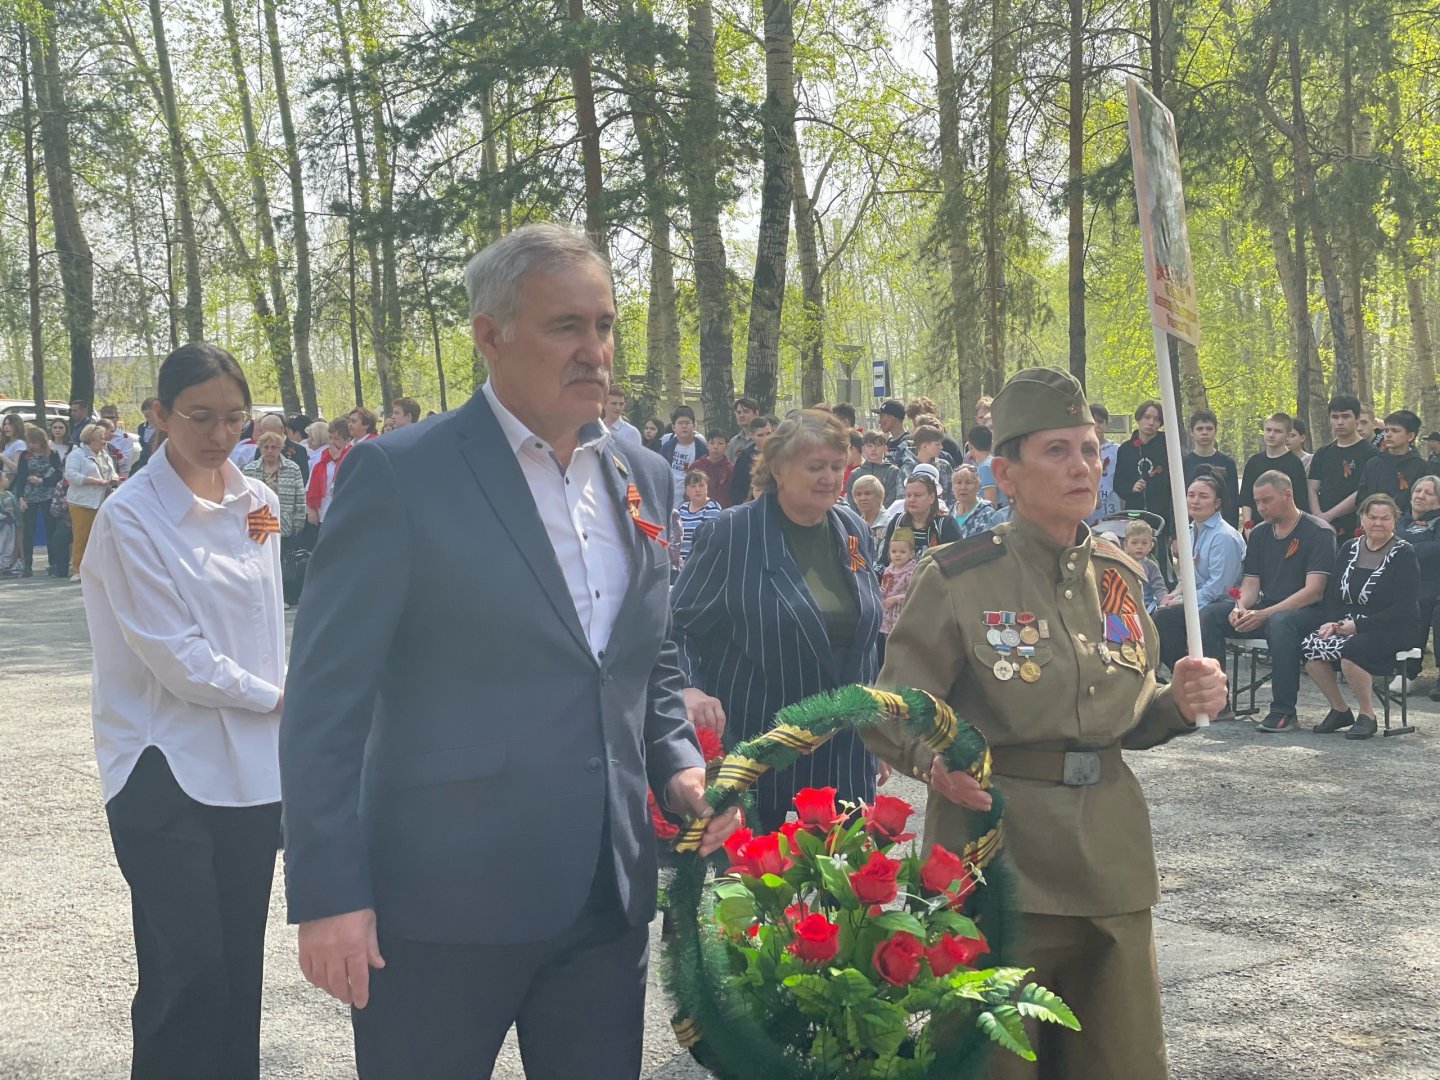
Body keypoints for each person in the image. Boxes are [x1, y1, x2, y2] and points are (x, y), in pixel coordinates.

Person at [278, 223, 738, 1080]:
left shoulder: (639, 469)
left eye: (603, 325)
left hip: (606, 900)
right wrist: (330, 893)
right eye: (566, 326)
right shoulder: (400, 475)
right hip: (444, 906)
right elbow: (324, 703)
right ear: (490, 336)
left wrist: (677, 763)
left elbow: (647, 653)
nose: (596, 351)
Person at [861, 366, 1226, 1080]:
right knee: (993, 1067)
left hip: (1111, 861)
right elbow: (895, 709)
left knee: (1120, 1063)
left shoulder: (1120, 575)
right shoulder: (960, 576)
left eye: (1090, 448)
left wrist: (1176, 705)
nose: (1082, 465)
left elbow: (1123, 715)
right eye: (1057, 450)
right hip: (1000, 860)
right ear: (1005, 473)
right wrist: (933, 761)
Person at [80, 342, 285, 1080]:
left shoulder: (258, 504)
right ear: (160, 415)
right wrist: (282, 697)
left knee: (238, 972)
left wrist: (282, 695)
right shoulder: (130, 519)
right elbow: (178, 658)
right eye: (201, 417)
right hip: (162, 766)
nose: (220, 434)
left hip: (251, 769)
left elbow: (266, 618)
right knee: (187, 971)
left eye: (236, 418)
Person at [672, 409, 883, 833]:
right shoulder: (732, 533)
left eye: (837, 467)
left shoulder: (853, 529)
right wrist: (688, 685)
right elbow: (678, 627)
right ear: (779, 470)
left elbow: (865, 637)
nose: (830, 478)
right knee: (759, 890)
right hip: (761, 750)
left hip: (845, 755)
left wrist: (875, 740)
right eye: (815, 467)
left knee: (846, 892)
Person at [1198, 470, 1336, 732]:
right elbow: (1250, 584)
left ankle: (1284, 710)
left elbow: (1314, 591)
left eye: (1267, 500)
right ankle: (1218, 701)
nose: (1260, 507)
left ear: (1288, 495)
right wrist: (1241, 608)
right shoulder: (1260, 534)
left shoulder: (1319, 532)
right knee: (1211, 614)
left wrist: (1265, 613)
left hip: (1311, 613)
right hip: (1271, 609)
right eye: (1257, 501)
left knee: (1280, 622)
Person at [1304, 493, 1418, 739]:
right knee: (1311, 647)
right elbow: (1333, 594)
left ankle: (1367, 715)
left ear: (1394, 522)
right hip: (1348, 622)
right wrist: (1332, 622)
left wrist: (1359, 626)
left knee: (1353, 651)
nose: (1378, 523)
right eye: (1372, 517)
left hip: (1391, 626)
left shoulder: (1404, 554)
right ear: (1362, 520)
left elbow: (1404, 608)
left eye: (1384, 518)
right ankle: (1340, 710)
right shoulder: (1349, 548)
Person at [1154, 471, 1246, 673]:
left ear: (1217, 502)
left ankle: (1217, 690)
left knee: (1202, 616)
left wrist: (1184, 602)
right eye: (1191, 495)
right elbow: (1189, 576)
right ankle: (1184, 676)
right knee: (1160, 613)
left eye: (1203, 496)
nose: (1195, 501)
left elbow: (1219, 587)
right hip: (1202, 597)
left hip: (1228, 603)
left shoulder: (1224, 536)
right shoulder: (1189, 531)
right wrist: (1175, 594)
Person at [1308, 394, 1377, 540]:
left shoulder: (1371, 454)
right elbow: (1312, 488)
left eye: (1345, 416)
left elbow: (1363, 491)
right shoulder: (1322, 453)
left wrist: (1329, 515)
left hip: (1356, 525)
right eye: (1335, 417)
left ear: (1357, 418)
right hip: (1322, 526)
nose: (1340, 422)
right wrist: (1318, 517)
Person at [1115, 399, 1175, 557]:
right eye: (1147, 417)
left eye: (1156, 419)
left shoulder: (1169, 446)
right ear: (1138, 419)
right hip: (1135, 517)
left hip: (1162, 519)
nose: (1151, 422)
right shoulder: (1125, 450)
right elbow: (1118, 484)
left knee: (1161, 561)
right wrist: (1131, 488)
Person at [1398, 475, 1440, 696]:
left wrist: (1406, 548)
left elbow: (1437, 549)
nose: (1420, 496)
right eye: (1418, 491)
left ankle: (1410, 671)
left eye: (1428, 493)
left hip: (1431, 581)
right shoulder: (1401, 520)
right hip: (1399, 581)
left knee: (1420, 602)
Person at [876, 465, 962, 571]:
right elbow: (884, 561)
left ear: (931, 497)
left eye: (917, 495)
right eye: (908, 495)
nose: (911, 499)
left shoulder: (945, 524)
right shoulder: (898, 522)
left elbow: (957, 564)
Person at [66, 422, 120, 581]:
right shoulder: (77, 455)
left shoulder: (104, 454)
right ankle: (77, 569)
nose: (105, 441)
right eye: (101, 438)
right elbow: (71, 475)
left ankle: (99, 569)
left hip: (102, 500)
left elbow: (112, 472)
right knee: (82, 536)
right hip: (82, 502)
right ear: (90, 440)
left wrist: (114, 478)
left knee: (101, 536)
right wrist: (95, 481)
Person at [14, 425, 68, 577]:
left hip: (47, 494)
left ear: (42, 442)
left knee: (50, 529)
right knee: (28, 530)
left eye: (34, 442)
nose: (31, 446)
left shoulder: (52, 454)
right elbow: (20, 477)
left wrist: (42, 480)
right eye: (29, 442)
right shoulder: (25, 456)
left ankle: (53, 562)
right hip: (29, 495)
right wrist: (20, 497)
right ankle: (27, 565)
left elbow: (58, 474)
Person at [1239, 413, 1310, 531]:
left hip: (1285, 528)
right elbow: (1246, 498)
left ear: (1287, 435)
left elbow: (1299, 502)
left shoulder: (1294, 464)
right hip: (1255, 527)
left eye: (1277, 431)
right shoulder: (1254, 462)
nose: (1271, 435)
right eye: (1268, 430)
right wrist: (1248, 527)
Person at [1355, 409, 1427, 517]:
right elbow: (1361, 500)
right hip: (1373, 525)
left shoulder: (1422, 467)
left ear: (1410, 436)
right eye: (1387, 430)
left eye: (1395, 431)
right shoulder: (1372, 464)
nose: (1388, 435)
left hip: (1407, 528)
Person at [242, 431, 306, 545]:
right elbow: (244, 497)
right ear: (260, 449)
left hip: (284, 521)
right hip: (258, 523)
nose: (270, 451)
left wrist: (299, 521)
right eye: (266, 447)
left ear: (280, 448)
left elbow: (300, 497)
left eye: (274, 447)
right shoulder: (249, 470)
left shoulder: (293, 468)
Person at [1181, 408, 1240, 528]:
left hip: (1220, 526)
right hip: (1188, 527)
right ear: (1192, 432)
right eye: (1199, 429)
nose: (1204, 432)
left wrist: (1232, 527)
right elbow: (1176, 499)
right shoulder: (1183, 463)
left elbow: (1232, 500)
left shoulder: (1227, 463)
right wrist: (1175, 534)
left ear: (1215, 431)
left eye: (1209, 428)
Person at [669, 469, 722, 572]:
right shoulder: (682, 508)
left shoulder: (713, 508)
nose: (697, 489)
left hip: (701, 565)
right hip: (679, 566)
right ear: (686, 490)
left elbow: (711, 541)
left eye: (701, 485)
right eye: (693, 486)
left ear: (707, 486)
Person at [877, 526, 917, 664]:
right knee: (888, 644)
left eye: (902, 551)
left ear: (911, 553)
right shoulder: (889, 570)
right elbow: (884, 589)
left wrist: (894, 599)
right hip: (888, 614)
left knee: (900, 646)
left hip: (901, 614)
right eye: (894, 551)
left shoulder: (911, 572)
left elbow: (913, 595)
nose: (897, 555)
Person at [304, 418, 350, 527]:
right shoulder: (323, 456)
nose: (332, 442)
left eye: (336, 439)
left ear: (348, 440)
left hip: (341, 514)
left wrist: (339, 460)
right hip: (321, 513)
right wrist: (311, 510)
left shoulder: (350, 457)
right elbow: (310, 486)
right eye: (330, 438)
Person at [659, 405, 707, 504]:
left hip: (692, 499)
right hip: (668, 497)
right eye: (680, 423)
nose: (684, 426)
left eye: (687, 423)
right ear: (673, 427)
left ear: (694, 425)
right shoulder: (666, 448)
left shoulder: (701, 449)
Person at [846, 430, 903, 510]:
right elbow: (851, 501)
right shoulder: (855, 474)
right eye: (869, 446)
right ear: (863, 449)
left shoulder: (893, 472)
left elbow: (892, 499)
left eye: (878, 445)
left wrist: (878, 516)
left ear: (885, 448)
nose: (873, 449)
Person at [1087, 403, 1123, 524]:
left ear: (1106, 424)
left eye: (1100, 422)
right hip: (1088, 508)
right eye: (1092, 422)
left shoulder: (1117, 450)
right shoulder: (1078, 450)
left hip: (1112, 505)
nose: (1096, 426)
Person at [1123, 519, 1167, 612]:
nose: (1139, 546)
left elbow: (1159, 587)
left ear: (1151, 546)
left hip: (1147, 606)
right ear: (1125, 545)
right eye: (1134, 543)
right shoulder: (1121, 563)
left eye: (1144, 543)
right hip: (1125, 606)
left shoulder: (1151, 566)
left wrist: (1163, 601)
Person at [729, 414, 773, 505]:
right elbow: (736, 485)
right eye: (760, 435)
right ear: (751, 435)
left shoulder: (778, 454)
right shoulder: (745, 456)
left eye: (768, 433)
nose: (766, 438)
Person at [949, 462, 998, 539]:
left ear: (978, 486)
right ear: (952, 487)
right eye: (958, 482)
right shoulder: (950, 512)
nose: (963, 487)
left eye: (968, 483)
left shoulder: (987, 514)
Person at [850, 473, 896, 550]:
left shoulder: (889, 525)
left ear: (879, 496)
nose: (862, 498)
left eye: (868, 493)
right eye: (858, 494)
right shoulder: (855, 525)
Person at [690, 431, 734, 509]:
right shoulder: (696, 466)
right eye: (712, 443)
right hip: (699, 510)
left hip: (723, 511)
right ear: (707, 445)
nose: (716, 447)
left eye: (720, 444)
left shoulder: (730, 469)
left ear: (727, 447)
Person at [871, 398, 914, 469]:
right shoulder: (888, 442)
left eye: (882, 417)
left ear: (892, 418)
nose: (879, 421)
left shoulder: (909, 442)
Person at [911, 424, 953, 492]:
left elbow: (953, 495)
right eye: (937, 444)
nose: (941, 447)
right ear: (924, 446)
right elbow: (903, 498)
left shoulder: (944, 466)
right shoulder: (907, 468)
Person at [728, 397, 761, 463]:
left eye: (746, 411)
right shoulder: (733, 442)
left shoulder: (764, 439)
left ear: (756, 413)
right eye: (738, 412)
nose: (741, 415)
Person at [0, 470, 20, 574]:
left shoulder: (10, 495)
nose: (8, 480)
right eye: (5, 478)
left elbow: (16, 510)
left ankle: (5, 566)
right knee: (1, 544)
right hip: (2, 525)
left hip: (10, 524)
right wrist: (3, 516)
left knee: (9, 545)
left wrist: (17, 521)